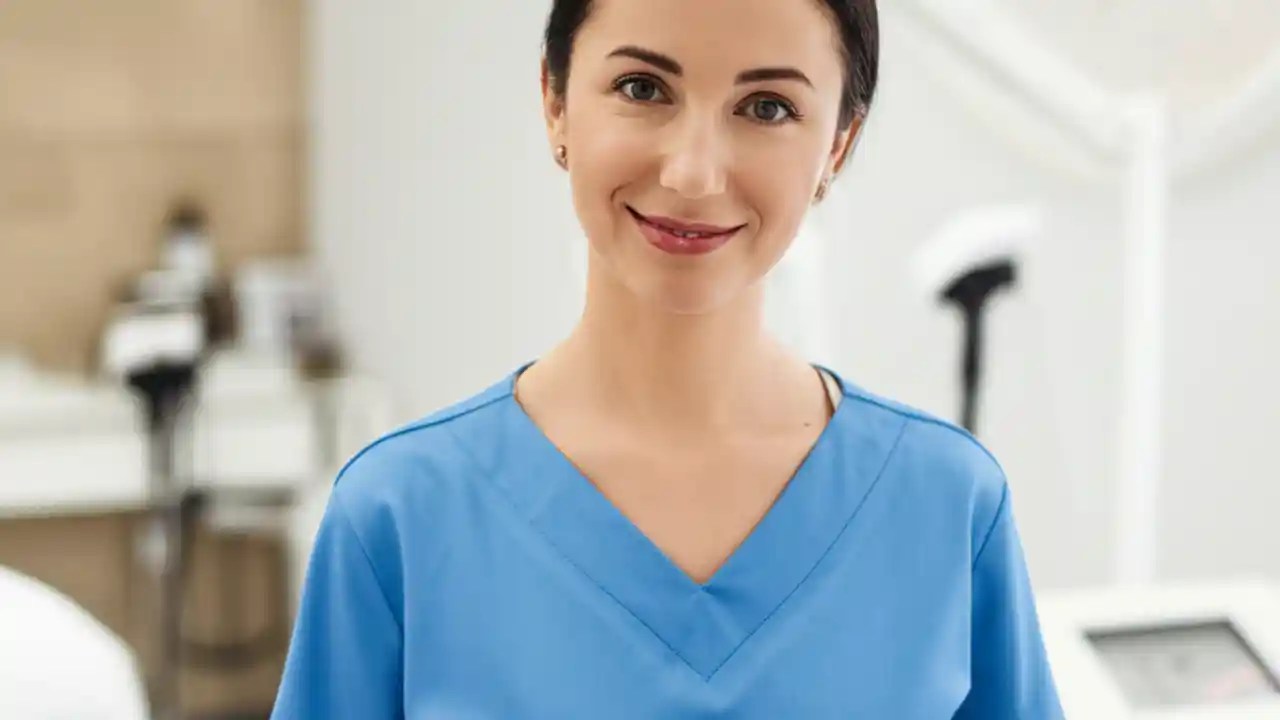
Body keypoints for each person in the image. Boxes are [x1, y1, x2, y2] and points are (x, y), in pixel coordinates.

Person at [271, 0, 1064, 716]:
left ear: (839, 146)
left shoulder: (946, 509)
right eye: (644, 89)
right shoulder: (399, 519)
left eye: (767, 107)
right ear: (555, 100)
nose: (693, 172)